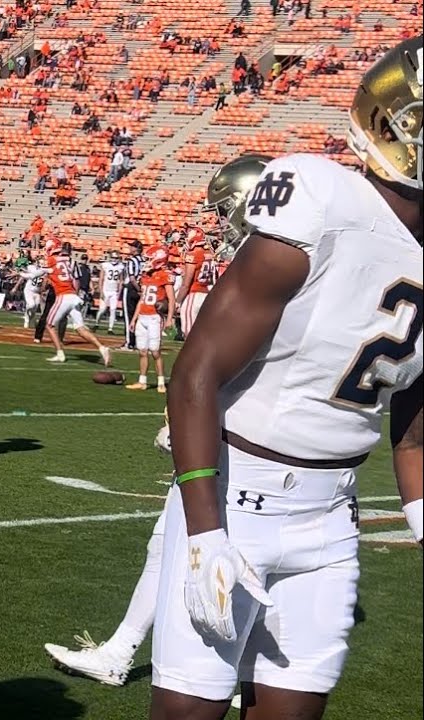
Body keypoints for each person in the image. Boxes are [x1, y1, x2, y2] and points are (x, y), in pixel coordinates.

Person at [156, 36, 422, 720]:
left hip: (332, 516)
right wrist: (204, 535)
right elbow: (197, 369)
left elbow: (414, 427)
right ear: (400, 125)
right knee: (188, 712)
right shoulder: (323, 196)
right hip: (234, 499)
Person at [42, 152, 270, 689]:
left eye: (225, 210)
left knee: (233, 556)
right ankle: (122, 651)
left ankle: (240, 677)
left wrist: (197, 424)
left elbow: (245, 368)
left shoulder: (270, 271)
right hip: (234, 436)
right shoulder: (273, 266)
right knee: (168, 542)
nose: (221, 224)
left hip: (243, 446)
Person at [42, 243, 112, 366]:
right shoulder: (68, 262)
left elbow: (38, 272)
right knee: (80, 328)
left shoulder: (52, 260)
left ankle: (60, 353)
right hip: (73, 296)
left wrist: (21, 273)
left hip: (63, 296)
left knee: (49, 325)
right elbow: (74, 278)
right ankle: (102, 348)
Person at [126, 245, 175, 392]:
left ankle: (161, 383)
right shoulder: (146, 275)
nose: (147, 262)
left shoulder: (165, 275)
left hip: (154, 317)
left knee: (155, 352)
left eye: (149, 259)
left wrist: (169, 318)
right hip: (142, 316)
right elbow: (142, 299)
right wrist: (134, 319)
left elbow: (171, 299)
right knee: (142, 351)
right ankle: (142, 382)